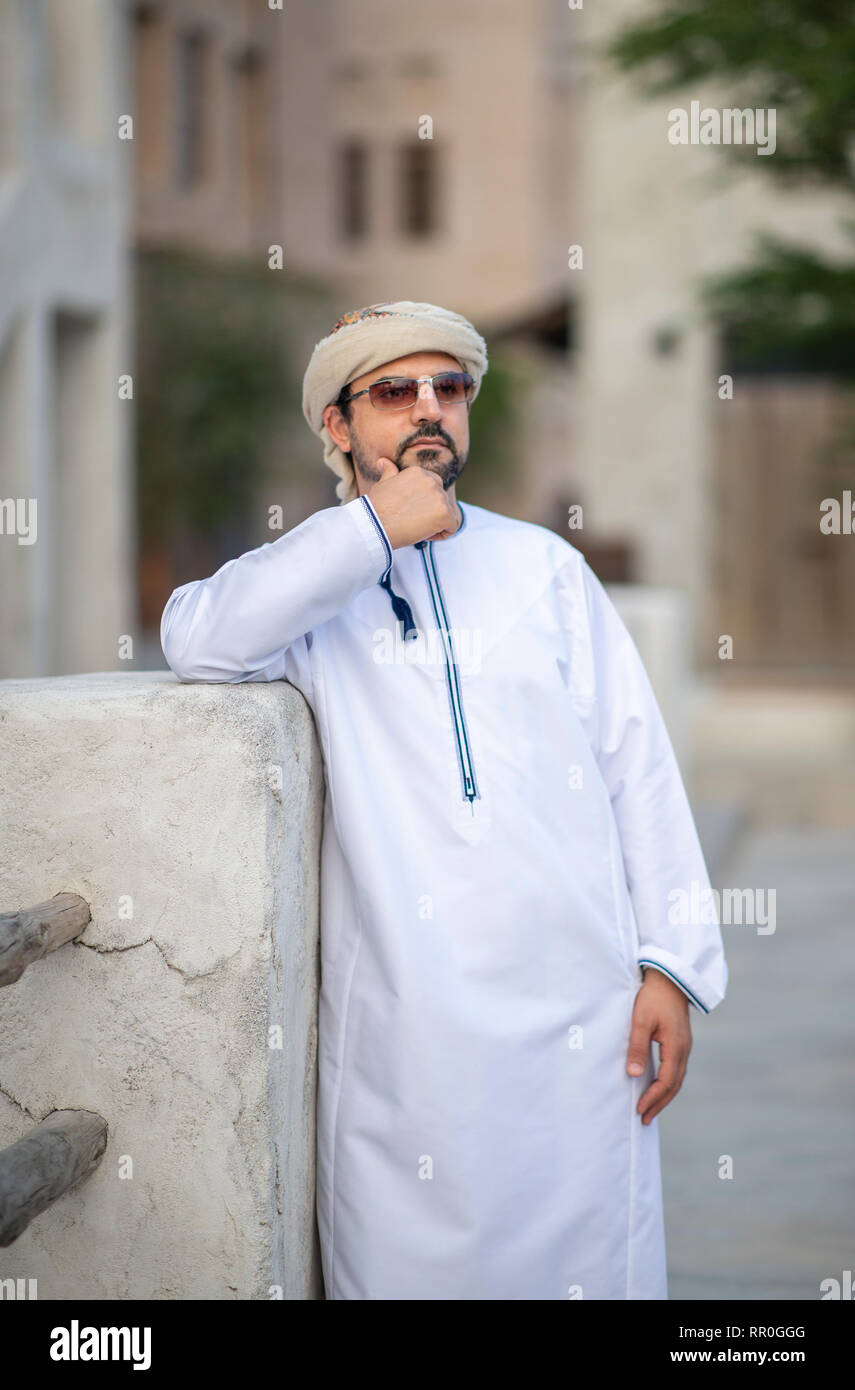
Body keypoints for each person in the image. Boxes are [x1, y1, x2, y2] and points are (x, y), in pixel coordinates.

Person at [160, 299, 727, 1300]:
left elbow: (635, 766)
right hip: (410, 1046)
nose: (428, 409)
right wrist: (373, 531)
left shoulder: (545, 568)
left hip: (580, 1029)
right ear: (339, 424)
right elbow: (200, 638)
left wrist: (670, 965)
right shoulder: (313, 590)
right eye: (393, 391)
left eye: (449, 387)